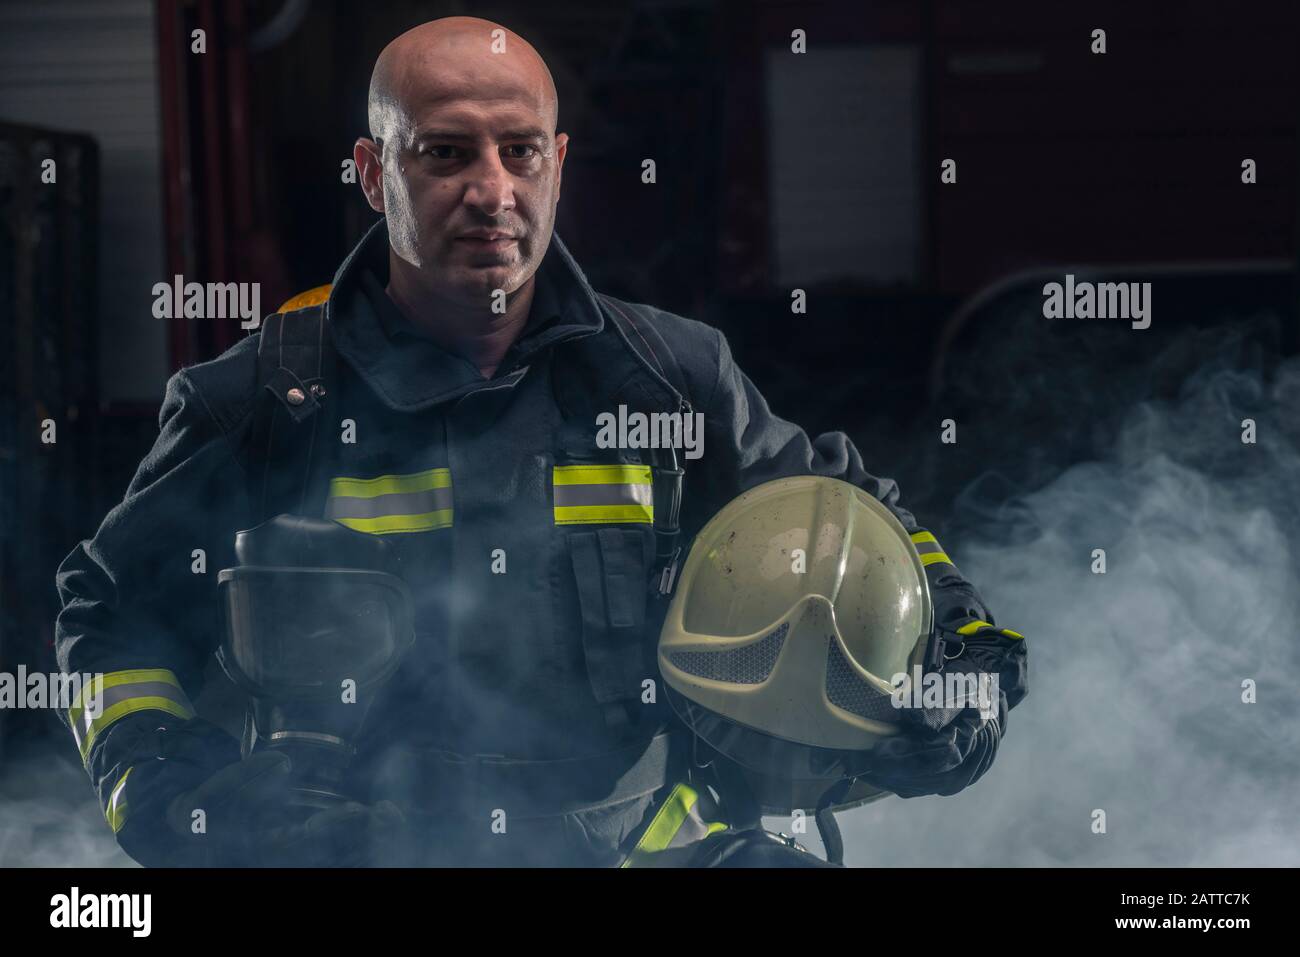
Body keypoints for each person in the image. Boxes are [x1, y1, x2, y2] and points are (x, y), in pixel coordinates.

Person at [54, 16, 1025, 867]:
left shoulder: (669, 376)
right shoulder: (266, 403)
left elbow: (850, 531)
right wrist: (176, 796)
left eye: (519, 152)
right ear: (372, 173)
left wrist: (960, 667)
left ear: (556, 163)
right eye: (445, 153)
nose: (491, 190)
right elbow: (110, 619)